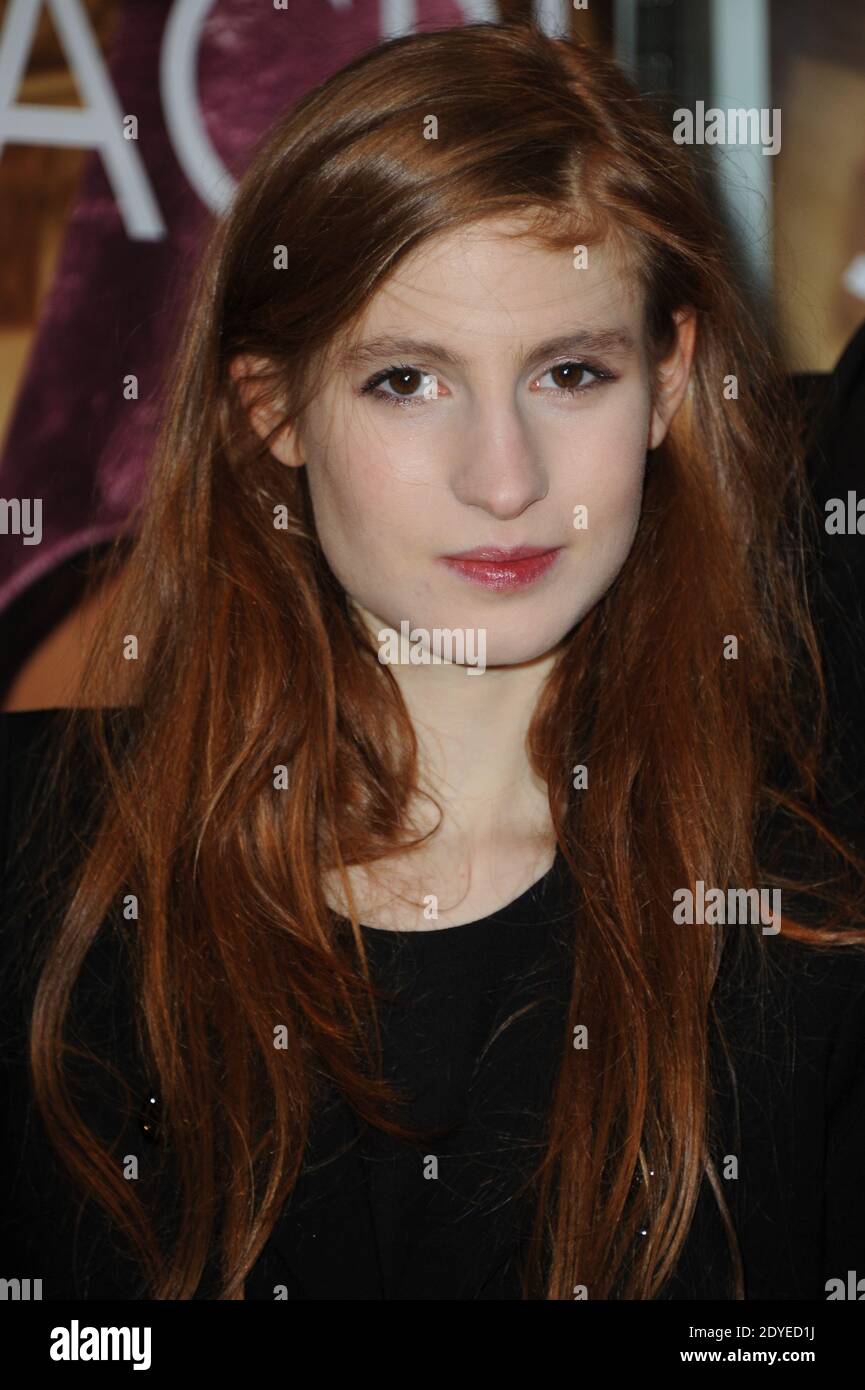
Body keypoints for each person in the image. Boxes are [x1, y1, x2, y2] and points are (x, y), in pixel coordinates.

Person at [1, 21, 864, 1303]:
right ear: (272, 410)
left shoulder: (803, 917)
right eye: (406, 381)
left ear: (668, 387)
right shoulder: (37, 852)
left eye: (571, 372)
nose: (502, 480)